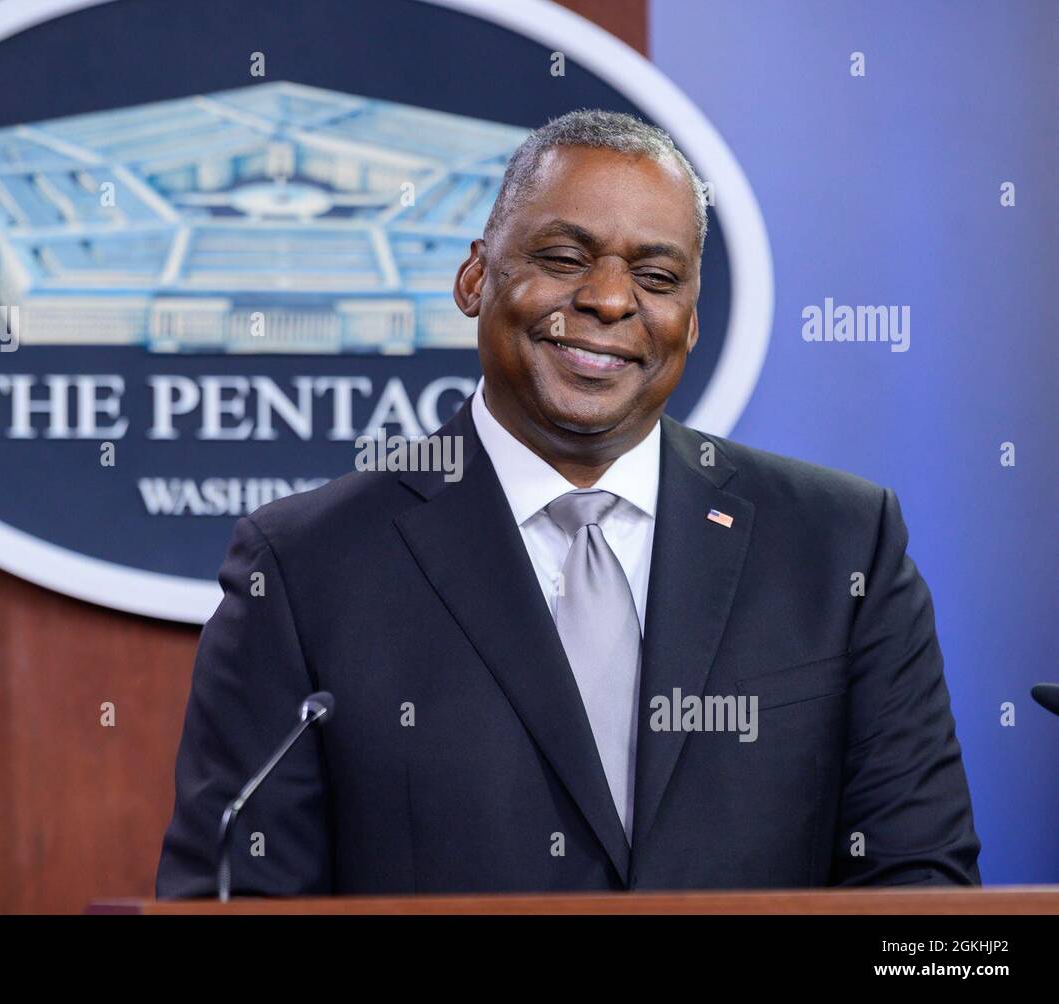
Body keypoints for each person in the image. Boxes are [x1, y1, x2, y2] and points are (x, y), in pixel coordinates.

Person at [156, 109, 980, 896]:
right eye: (563, 258)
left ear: (690, 323)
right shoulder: (304, 569)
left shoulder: (840, 546)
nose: (610, 301)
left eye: (656, 277)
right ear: (476, 277)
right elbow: (239, 896)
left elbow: (924, 895)